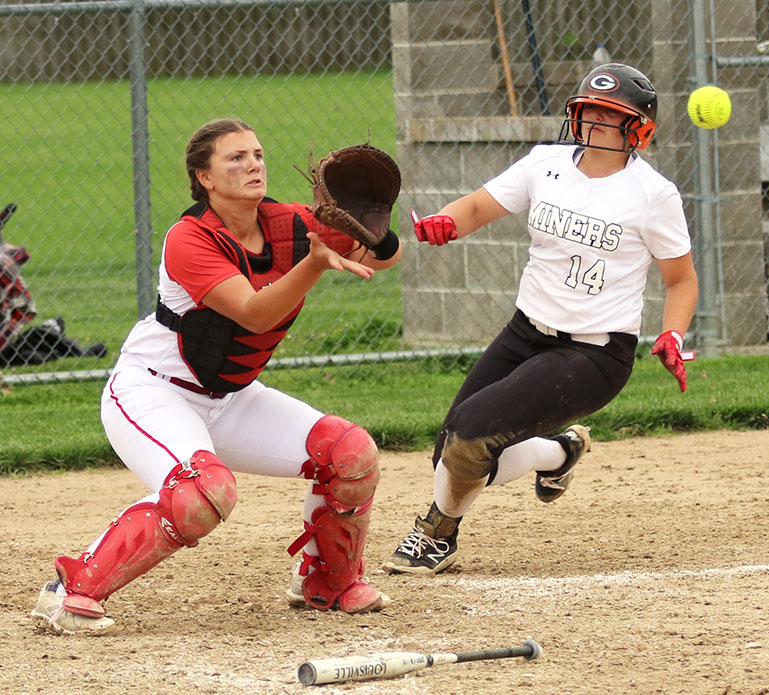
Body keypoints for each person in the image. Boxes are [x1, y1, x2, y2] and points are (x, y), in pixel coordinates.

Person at [30, 118, 401, 634]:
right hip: (152, 390)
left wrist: (374, 232)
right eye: (235, 158)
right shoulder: (190, 238)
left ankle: (328, 580)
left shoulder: (293, 222)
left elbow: (384, 258)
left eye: (258, 154)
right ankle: (70, 590)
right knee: (202, 492)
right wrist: (315, 262)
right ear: (203, 177)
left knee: (350, 454)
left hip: (231, 395)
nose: (253, 164)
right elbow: (253, 314)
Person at [383, 63, 699, 576]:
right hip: (525, 332)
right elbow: (477, 208)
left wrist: (672, 333)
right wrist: (443, 224)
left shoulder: (653, 194)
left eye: (609, 114)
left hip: (594, 353)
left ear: (639, 128)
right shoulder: (545, 163)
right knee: (447, 454)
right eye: (588, 110)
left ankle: (437, 534)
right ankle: (558, 453)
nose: (594, 121)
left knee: (469, 438)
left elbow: (681, 280)